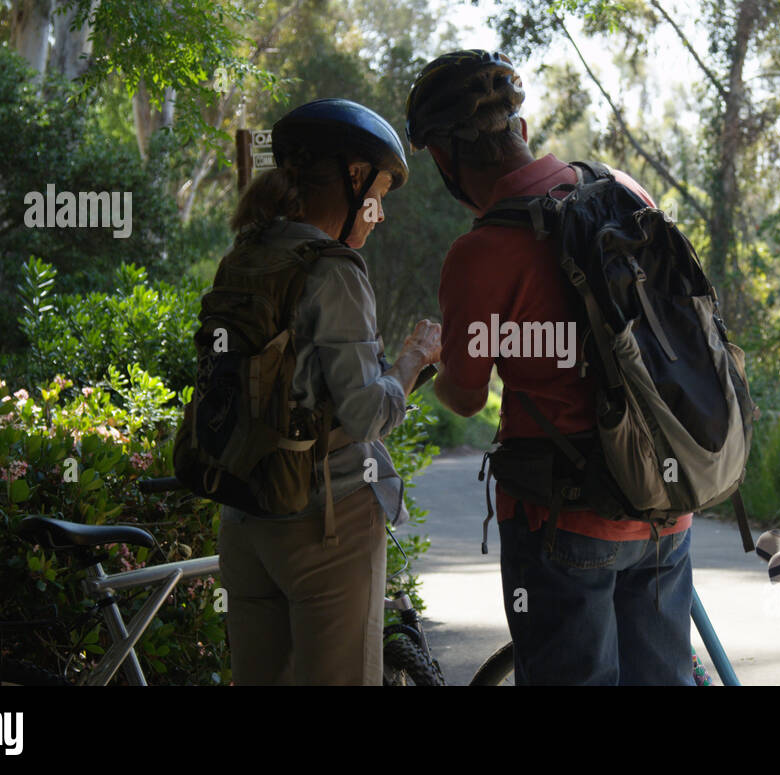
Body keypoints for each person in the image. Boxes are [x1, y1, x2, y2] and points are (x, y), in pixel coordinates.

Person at [406, 51, 693, 685]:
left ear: (445, 160)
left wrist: (430, 357)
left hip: (563, 521)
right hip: (666, 504)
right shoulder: (623, 190)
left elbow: (465, 396)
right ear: (523, 129)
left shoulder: (482, 252)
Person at [217, 98, 441, 685]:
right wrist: (415, 358)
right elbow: (366, 412)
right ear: (351, 179)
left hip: (245, 515)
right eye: (379, 196)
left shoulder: (245, 255)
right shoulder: (333, 268)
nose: (379, 214)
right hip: (324, 520)